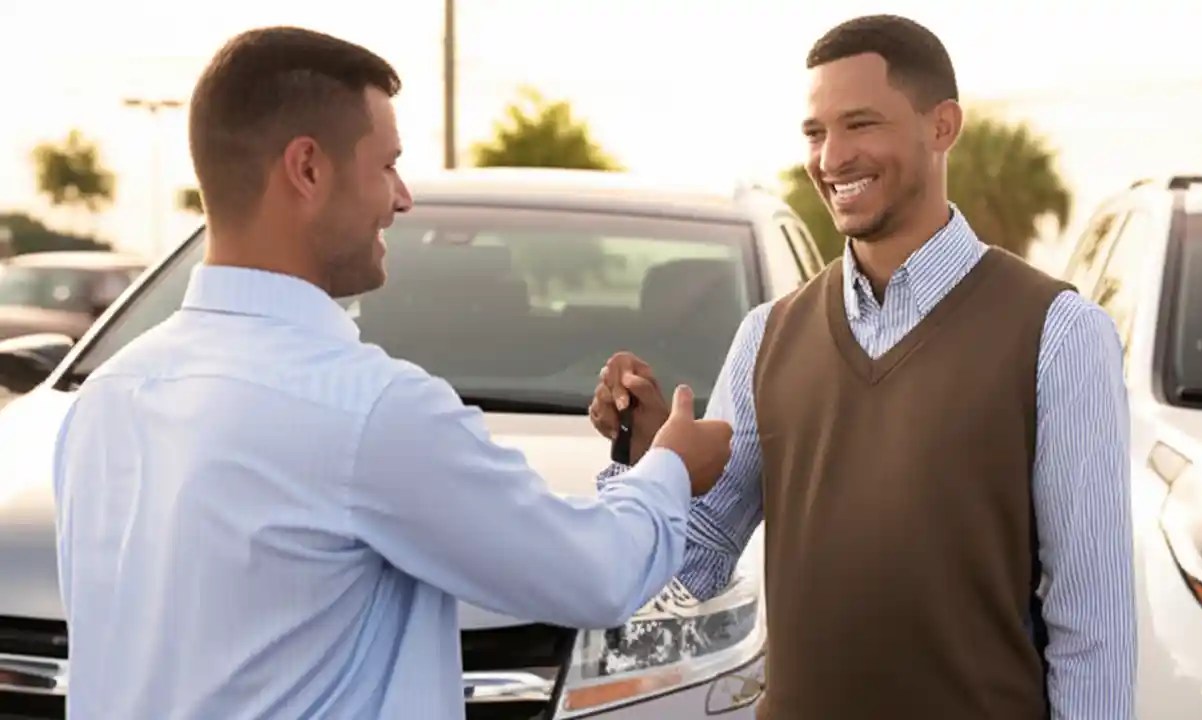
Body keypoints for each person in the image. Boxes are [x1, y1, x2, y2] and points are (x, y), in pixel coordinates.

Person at [50, 26, 732, 720]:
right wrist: (671, 464)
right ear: (308, 169)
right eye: (388, 166)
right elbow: (597, 572)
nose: (402, 198)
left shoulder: (106, 398)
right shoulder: (367, 411)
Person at [589, 14, 1137, 720]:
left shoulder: (1059, 335)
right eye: (815, 133)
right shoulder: (767, 336)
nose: (832, 157)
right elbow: (692, 565)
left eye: (860, 125)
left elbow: (1093, 626)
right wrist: (649, 458)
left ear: (942, 127)